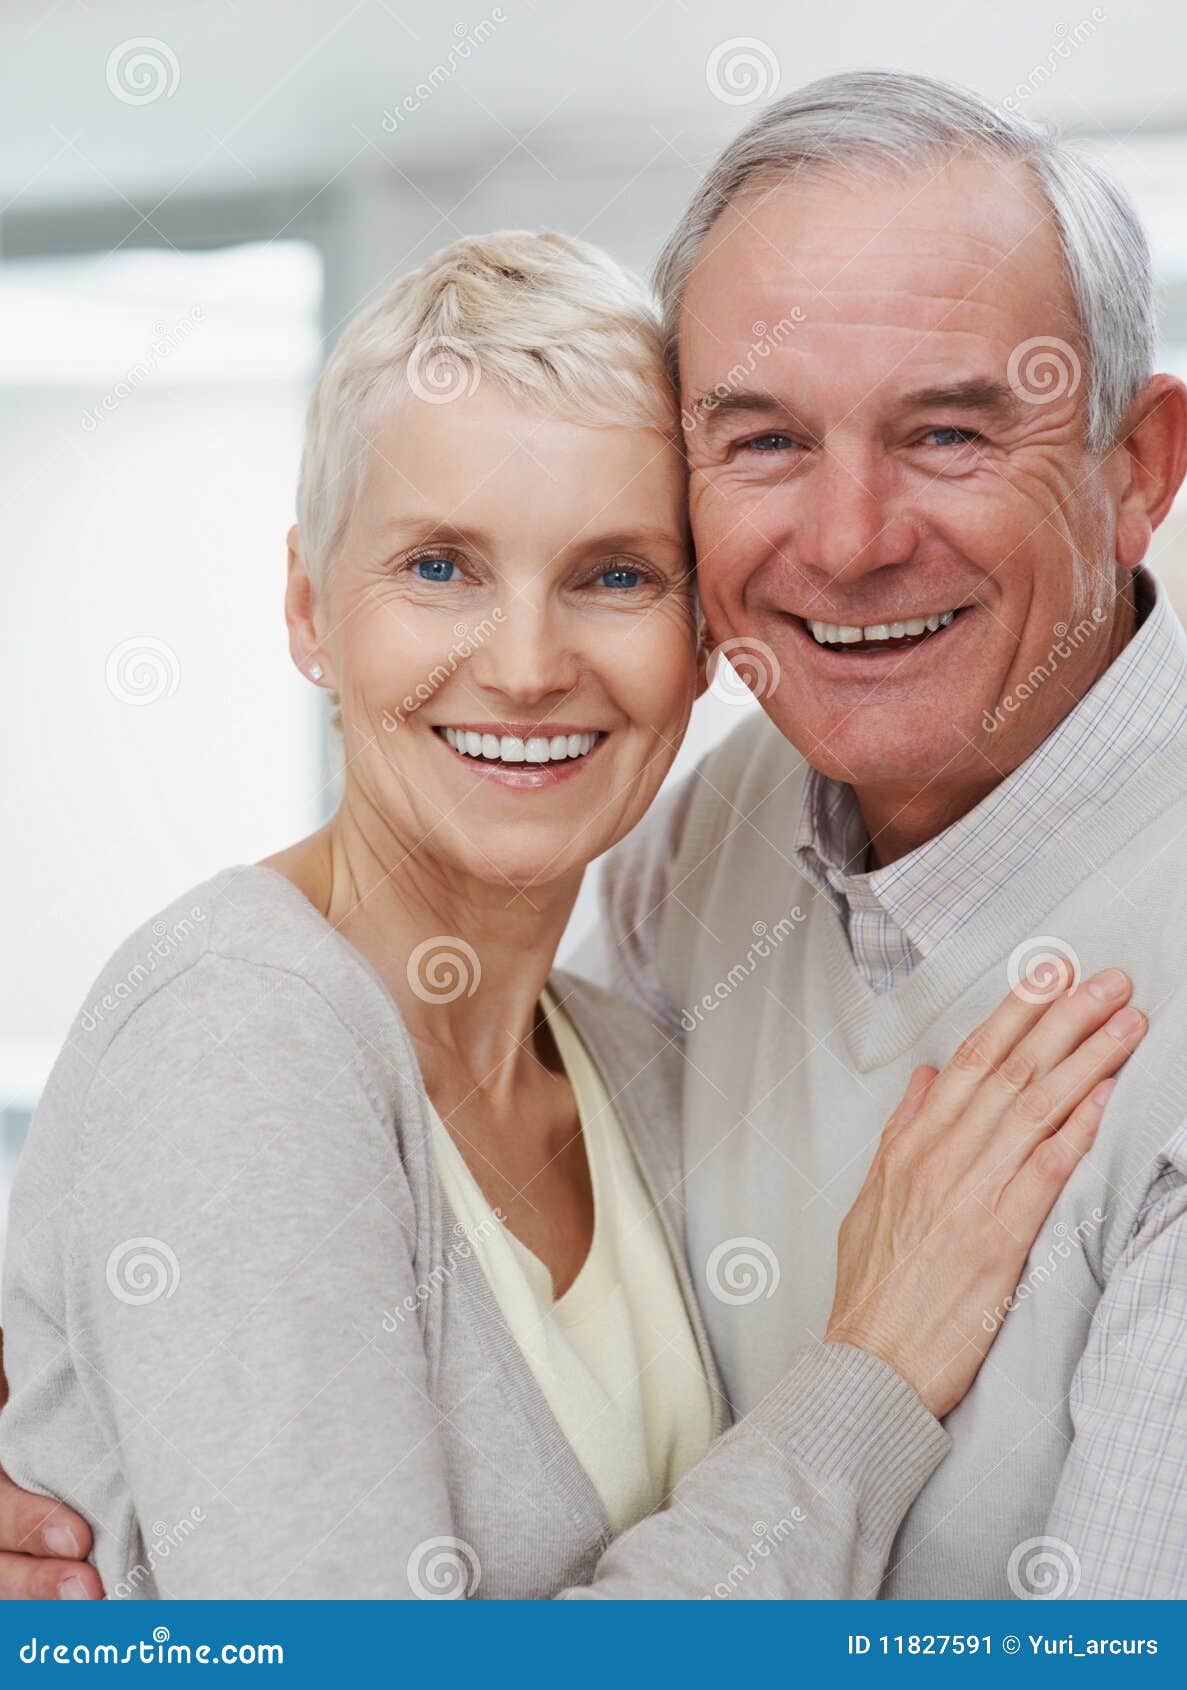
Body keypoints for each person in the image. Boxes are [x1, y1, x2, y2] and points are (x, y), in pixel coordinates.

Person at [0, 231, 1145, 1600]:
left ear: (705, 638)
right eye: (441, 568)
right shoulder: (236, 1033)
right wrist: (872, 1375)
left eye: (616, 575)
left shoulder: (626, 1057)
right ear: (310, 608)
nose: (530, 666)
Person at [592, 71, 1187, 1599]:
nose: (850, 541)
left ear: (1138, 467)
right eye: (766, 443)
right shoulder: (701, 831)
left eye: (947, 434)